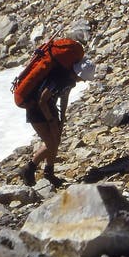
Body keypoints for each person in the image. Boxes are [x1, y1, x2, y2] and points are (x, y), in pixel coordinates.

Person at [20, 56, 95, 186]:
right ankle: (29, 168)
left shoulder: (70, 81)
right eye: (83, 78)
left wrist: (61, 118)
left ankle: (49, 173)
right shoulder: (61, 79)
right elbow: (42, 100)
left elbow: (64, 98)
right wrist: (51, 121)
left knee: (56, 140)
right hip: (36, 110)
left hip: (50, 109)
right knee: (50, 143)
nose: (83, 81)